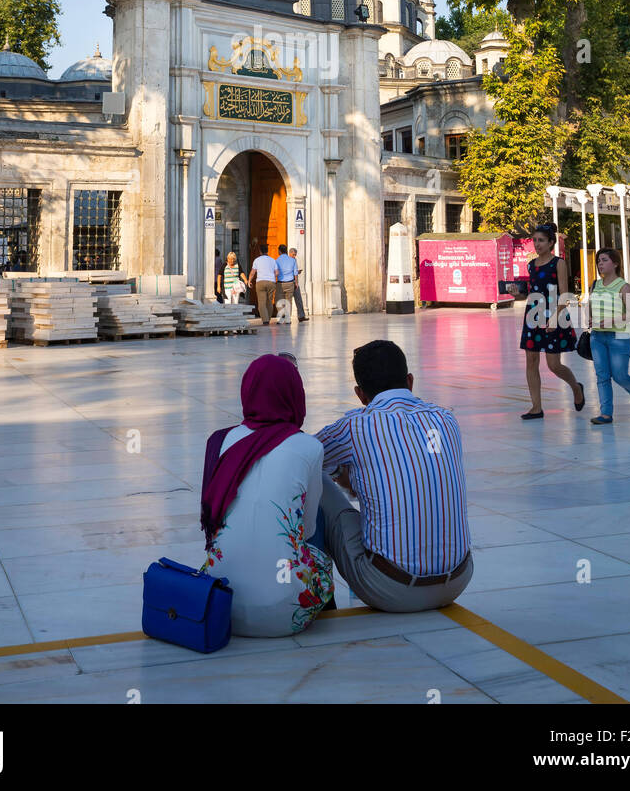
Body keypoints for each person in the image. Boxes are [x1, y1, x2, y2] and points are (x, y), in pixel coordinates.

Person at [314, 340, 473, 613]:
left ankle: (317, 597)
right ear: (409, 381)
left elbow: (305, 456)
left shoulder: (356, 426)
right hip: (458, 582)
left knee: (315, 478)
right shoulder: (446, 419)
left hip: (391, 590)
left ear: (360, 394)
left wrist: (341, 473)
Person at [200, 354, 333, 636]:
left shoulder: (218, 441)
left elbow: (210, 519)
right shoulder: (308, 447)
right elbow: (308, 530)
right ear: (294, 394)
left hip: (218, 606)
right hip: (288, 612)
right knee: (319, 560)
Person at [520, 221, 585, 420]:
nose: (537, 244)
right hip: (534, 315)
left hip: (554, 315)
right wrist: (518, 291)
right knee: (531, 360)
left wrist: (555, 318)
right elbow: (532, 291)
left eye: (541, 241)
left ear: (551, 243)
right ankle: (536, 407)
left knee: (553, 364)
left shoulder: (559, 263)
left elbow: (565, 294)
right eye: (535, 240)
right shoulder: (531, 265)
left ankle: (576, 387)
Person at [588, 247, 630, 425]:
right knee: (602, 376)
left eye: (604, 260)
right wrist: (591, 319)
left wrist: (609, 320)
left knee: (620, 375)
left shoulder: (624, 286)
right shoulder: (595, 285)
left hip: (619, 337)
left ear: (615, 263)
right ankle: (606, 413)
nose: (600, 263)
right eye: (599, 260)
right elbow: (591, 308)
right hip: (597, 337)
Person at [249, 244, 278, 324]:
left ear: (260, 252)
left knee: (262, 302)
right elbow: (277, 273)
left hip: (260, 282)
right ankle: (268, 318)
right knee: (269, 301)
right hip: (271, 282)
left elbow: (252, 272)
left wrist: (249, 281)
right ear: (267, 251)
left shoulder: (257, 260)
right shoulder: (273, 260)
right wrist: (271, 276)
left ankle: (265, 320)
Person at [274, 244, 298, 323]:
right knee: (289, 301)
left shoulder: (277, 260)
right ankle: (288, 319)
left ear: (279, 251)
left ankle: (281, 317)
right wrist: (296, 283)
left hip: (280, 284)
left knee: (279, 300)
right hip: (290, 283)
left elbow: (275, 272)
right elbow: (295, 273)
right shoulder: (292, 260)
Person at [289, 247, 309, 321]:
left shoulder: (294, 260)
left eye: (295, 255)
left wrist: (297, 272)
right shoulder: (288, 261)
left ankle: (301, 316)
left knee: (299, 300)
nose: (294, 256)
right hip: (290, 282)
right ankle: (286, 317)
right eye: (293, 254)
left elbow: (294, 272)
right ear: (289, 253)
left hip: (294, 282)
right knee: (288, 300)